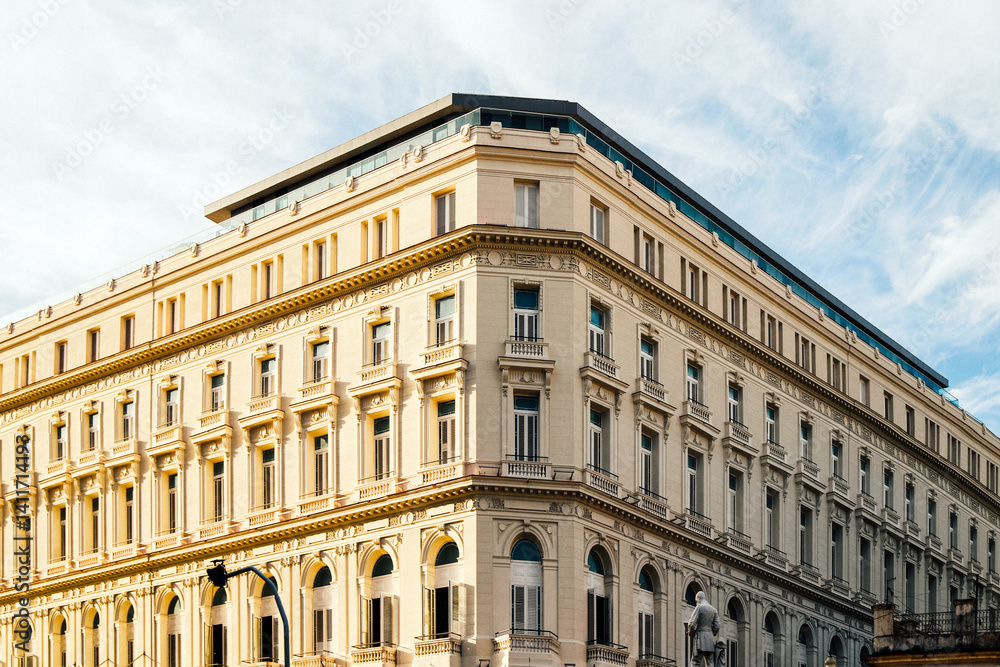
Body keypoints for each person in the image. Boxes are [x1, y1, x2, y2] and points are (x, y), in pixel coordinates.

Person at [687, 590, 720, 667]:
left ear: (698, 598)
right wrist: (713, 633)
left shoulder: (699, 607)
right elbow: (717, 626)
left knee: (695, 661)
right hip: (711, 639)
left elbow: (691, 624)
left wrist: (690, 633)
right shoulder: (714, 610)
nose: (696, 602)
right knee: (710, 662)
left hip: (700, 638)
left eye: (696, 601)